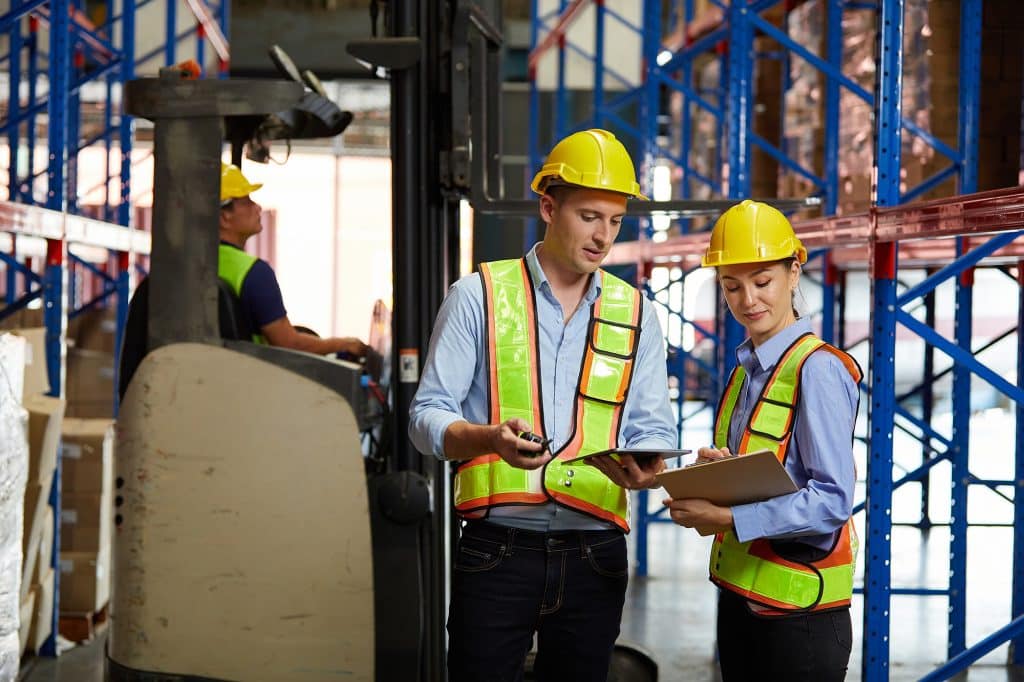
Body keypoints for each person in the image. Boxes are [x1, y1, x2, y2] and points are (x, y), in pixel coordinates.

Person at [408, 129, 677, 681]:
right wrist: (488, 439)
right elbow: (425, 415)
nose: (603, 236)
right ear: (549, 208)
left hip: (596, 552)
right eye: (589, 216)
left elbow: (653, 428)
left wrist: (647, 469)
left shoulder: (636, 312)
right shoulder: (478, 296)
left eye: (615, 221)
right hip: (497, 549)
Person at [663, 200, 862, 680]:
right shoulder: (746, 371)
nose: (748, 300)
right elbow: (773, 470)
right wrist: (720, 473)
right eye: (731, 286)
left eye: (762, 281)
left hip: (801, 618)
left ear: (794, 273)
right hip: (742, 601)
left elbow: (832, 500)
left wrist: (729, 516)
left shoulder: (818, 369)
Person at [218, 162, 367, 357]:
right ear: (224, 217)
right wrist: (345, 344)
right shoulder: (253, 272)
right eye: (246, 202)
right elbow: (289, 343)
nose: (257, 207)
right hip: (252, 370)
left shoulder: (198, 265)